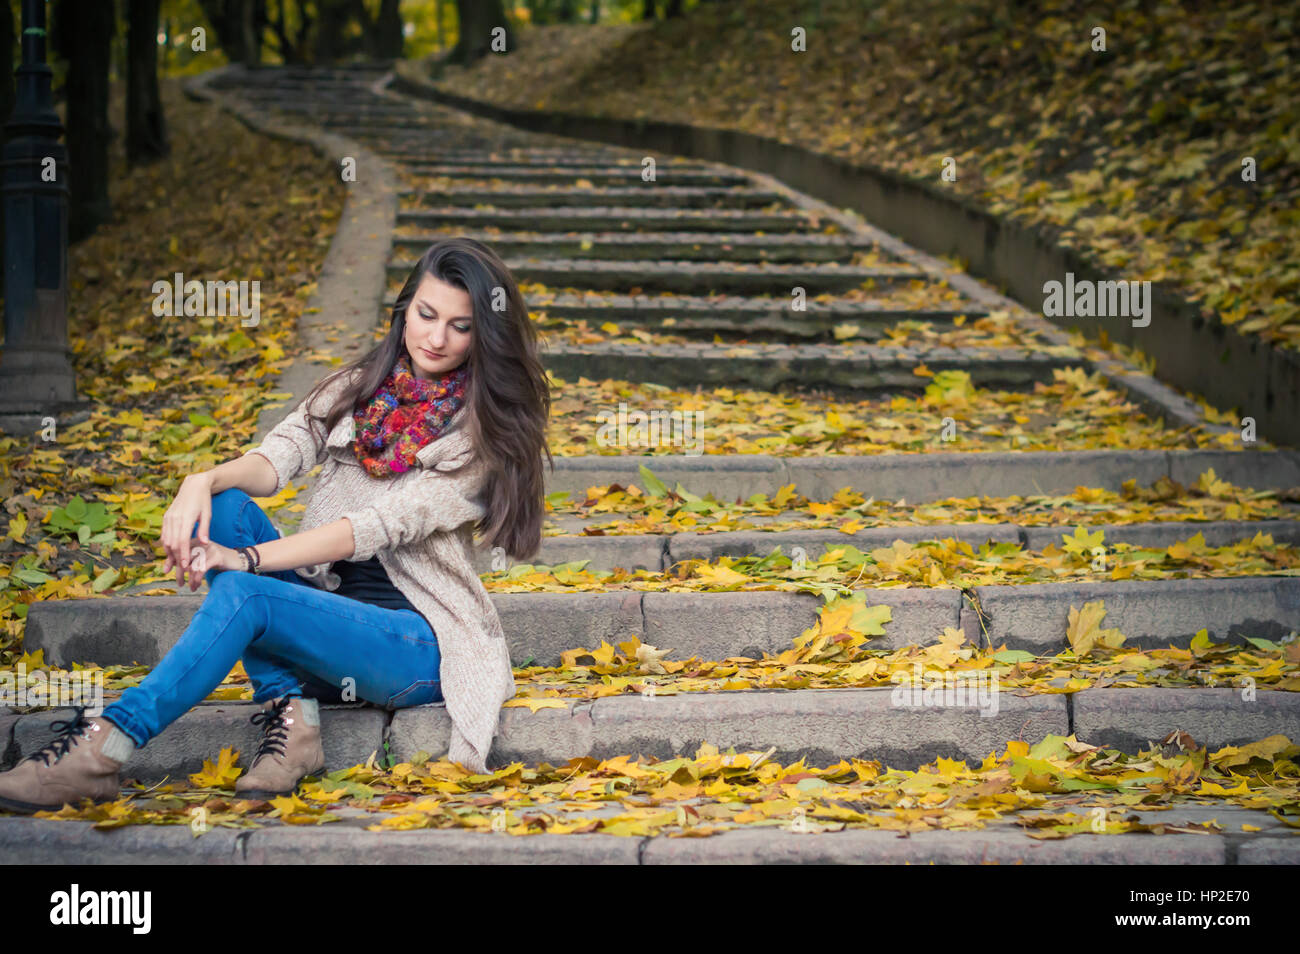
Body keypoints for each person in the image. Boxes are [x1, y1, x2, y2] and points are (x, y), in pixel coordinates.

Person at [0, 238, 553, 814]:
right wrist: (200, 480)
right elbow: (277, 458)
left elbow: (375, 526)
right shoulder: (359, 388)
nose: (436, 338)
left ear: (483, 334)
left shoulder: (483, 437)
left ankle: (103, 749)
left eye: (460, 326)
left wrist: (248, 560)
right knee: (227, 506)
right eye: (426, 314)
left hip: (416, 645)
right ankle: (293, 716)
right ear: (404, 309)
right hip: (327, 609)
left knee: (245, 591)